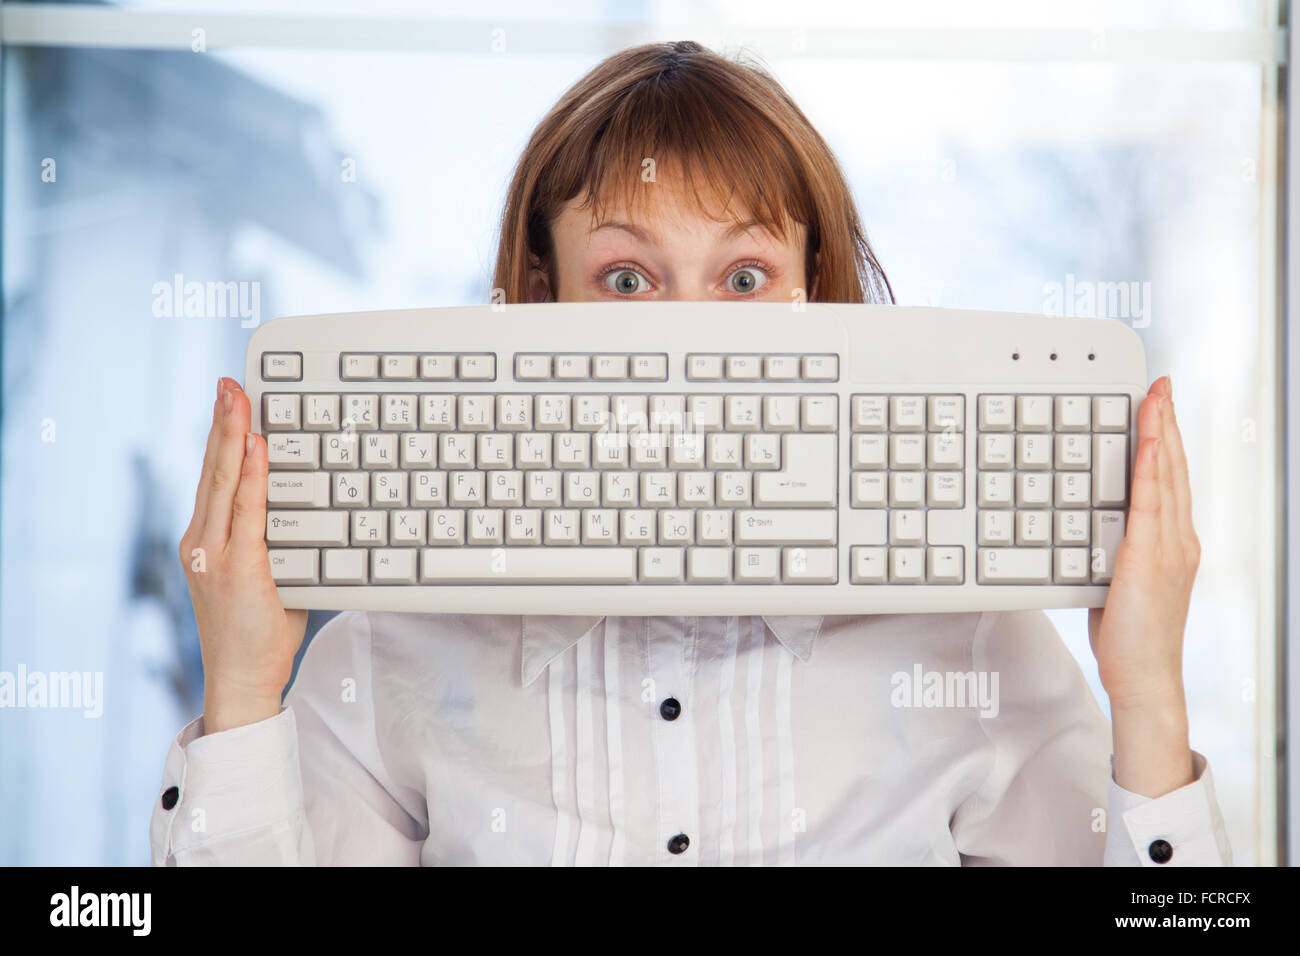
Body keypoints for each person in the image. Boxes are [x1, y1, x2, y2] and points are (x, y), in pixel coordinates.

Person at [150, 41, 1230, 865]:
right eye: (628, 278)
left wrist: (1147, 698)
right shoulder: (401, 645)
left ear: (817, 300)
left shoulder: (962, 626)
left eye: (744, 277)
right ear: (541, 299)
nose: (688, 338)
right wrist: (244, 685)